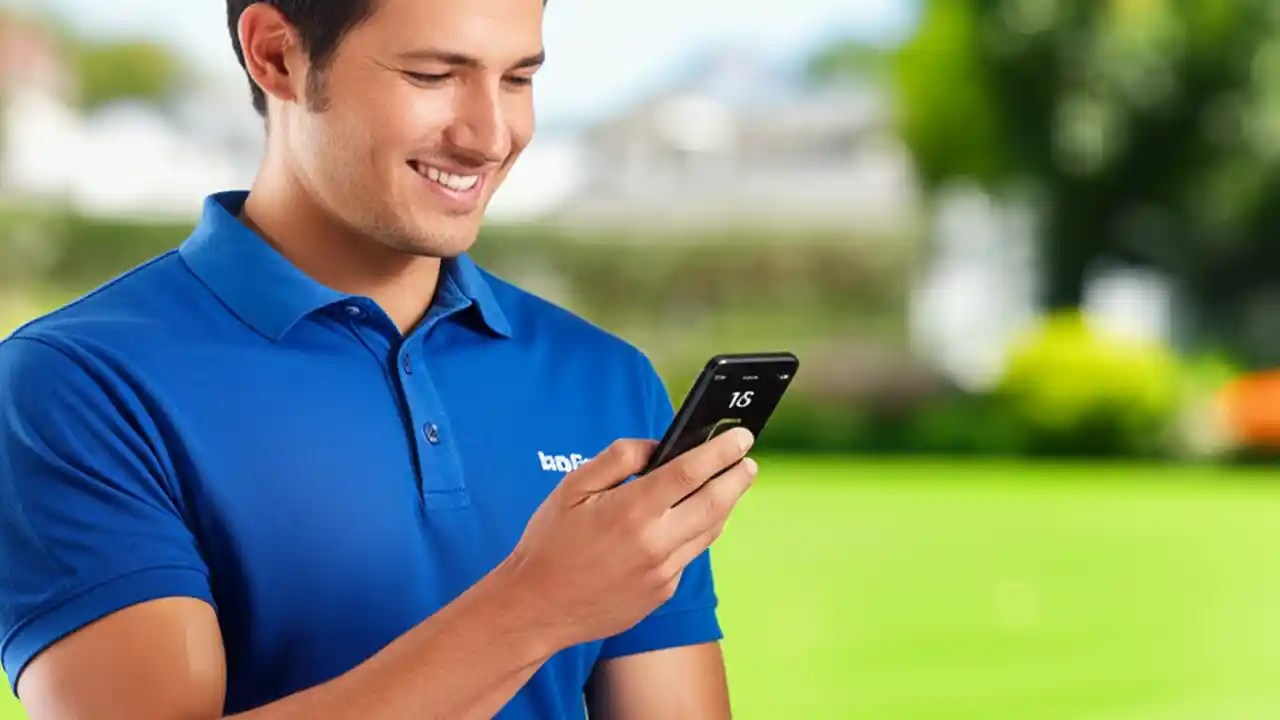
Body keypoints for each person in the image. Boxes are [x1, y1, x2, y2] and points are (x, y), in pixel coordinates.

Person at [0, 1, 760, 717]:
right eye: (433, 76)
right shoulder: (75, 385)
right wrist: (538, 607)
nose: (491, 136)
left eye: (519, 78)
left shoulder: (602, 378)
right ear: (276, 55)